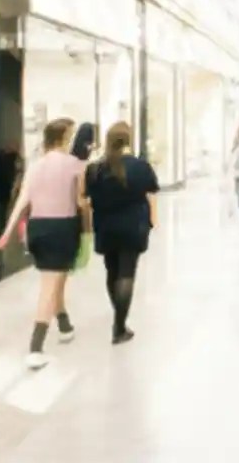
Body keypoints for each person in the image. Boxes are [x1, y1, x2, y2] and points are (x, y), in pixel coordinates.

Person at [0, 118, 86, 370]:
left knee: (54, 279)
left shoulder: (35, 167)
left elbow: (23, 201)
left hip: (38, 229)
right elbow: (80, 202)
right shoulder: (76, 165)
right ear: (66, 137)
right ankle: (36, 347)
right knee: (51, 285)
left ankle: (65, 324)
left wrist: (6, 233)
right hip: (62, 228)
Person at [84, 122, 159, 345]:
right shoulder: (140, 167)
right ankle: (119, 326)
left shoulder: (95, 169)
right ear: (129, 139)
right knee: (127, 273)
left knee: (112, 272)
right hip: (133, 227)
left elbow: (87, 199)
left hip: (106, 227)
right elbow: (151, 193)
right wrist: (153, 221)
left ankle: (119, 316)